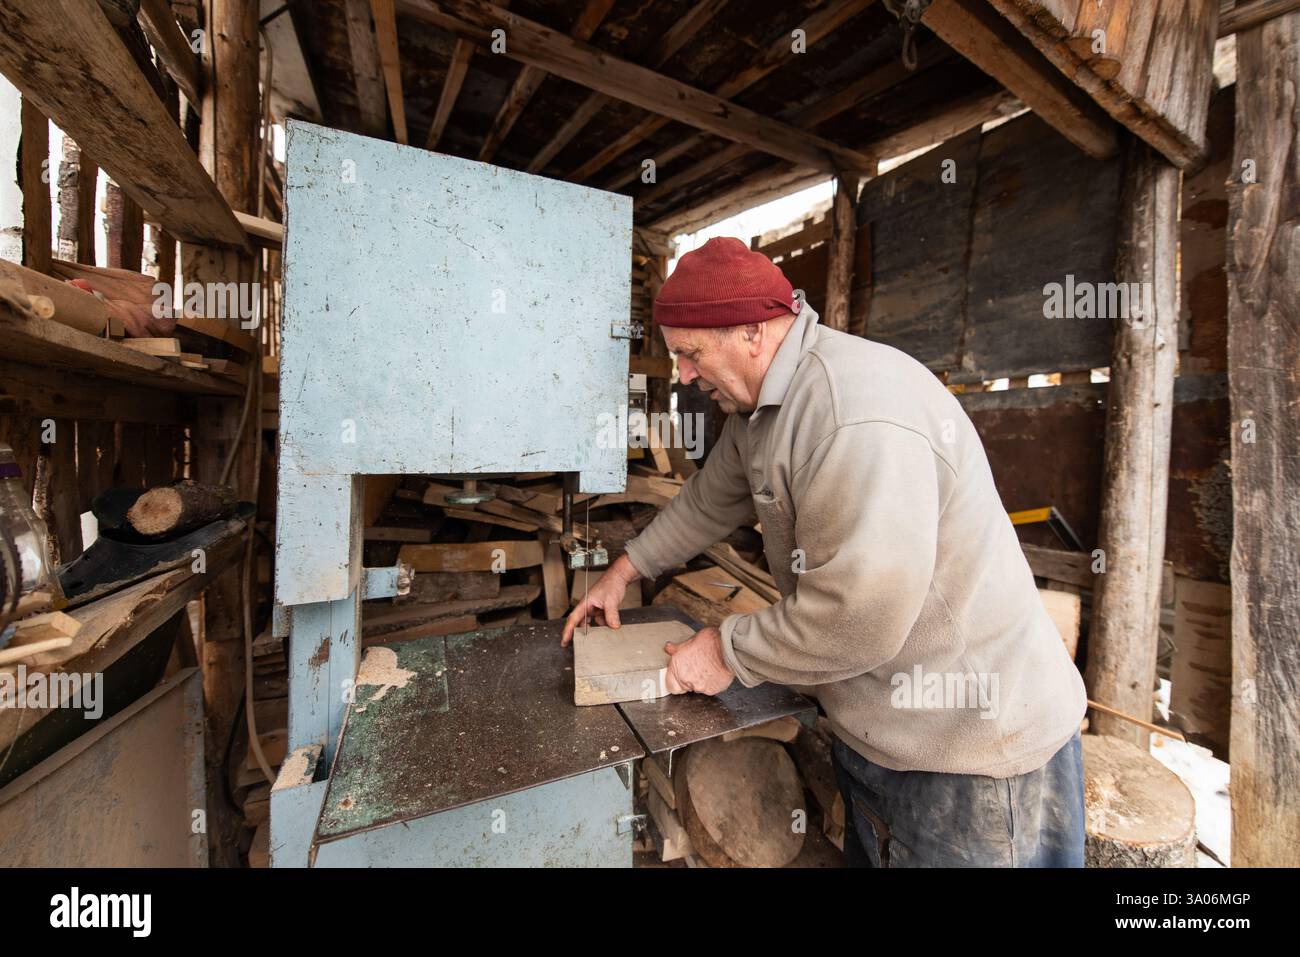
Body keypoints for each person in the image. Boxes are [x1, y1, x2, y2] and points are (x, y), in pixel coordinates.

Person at [561, 237, 1087, 867]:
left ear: (752, 333)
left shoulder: (852, 414)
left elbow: (862, 616)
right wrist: (622, 572)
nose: (684, 377)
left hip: (971, 758)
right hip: (885, 735)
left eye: (691, 355)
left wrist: (728, 650)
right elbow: (710, 499)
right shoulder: (762, 408)